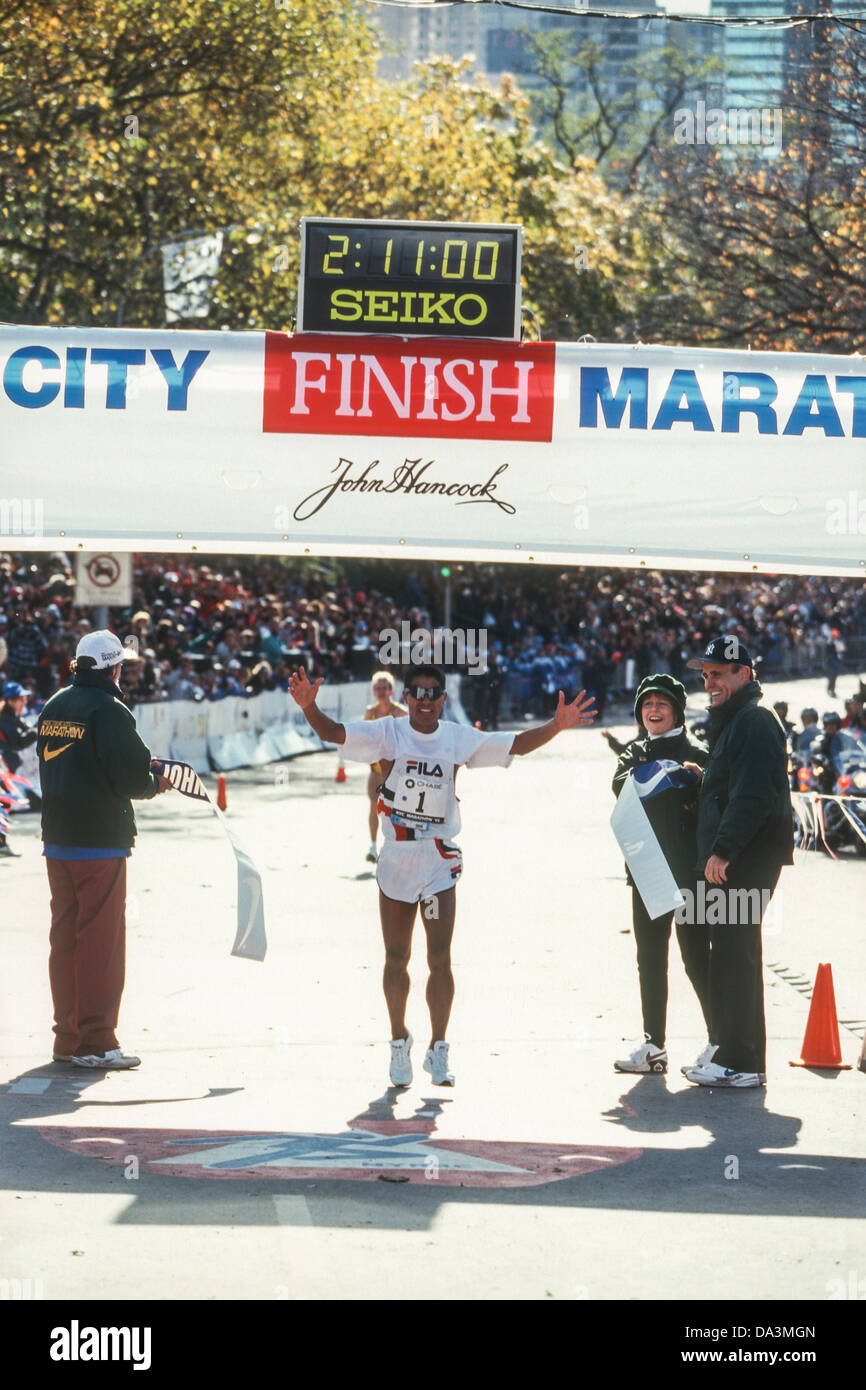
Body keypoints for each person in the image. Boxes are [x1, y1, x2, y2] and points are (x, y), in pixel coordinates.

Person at [290, 663, 596, 1088]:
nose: (426, 700)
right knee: (397, 958)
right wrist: (309, 706)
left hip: (437, 861)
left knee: (439, 958)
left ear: (444, 700)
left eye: (434, 693)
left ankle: (438, 1047)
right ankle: (398, 1041)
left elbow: (516, 745)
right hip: (397, 858)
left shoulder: (456, 738)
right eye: (418, 692)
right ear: (407, 697)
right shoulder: (387, 732)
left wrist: (557, 725)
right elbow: (332, 732)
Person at [37, 630, 174, 1069]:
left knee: (66, 940)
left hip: (57, 840)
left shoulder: (55, 703)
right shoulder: (110, 709)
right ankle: (97, 1042)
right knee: (101, 943)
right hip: (98, 843)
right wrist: (157, 782)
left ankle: (67, 1039)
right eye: (123, 666)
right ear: (113, 667)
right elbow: (133, 779)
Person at [681, 637, 793, 1089]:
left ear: (743, 674)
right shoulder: (737, 720)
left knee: (735, 954)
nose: (709, 681)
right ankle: (732, 1053)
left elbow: (753, 793)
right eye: (705, 674)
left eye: (719, 673)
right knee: (727, 953)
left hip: (746, 856)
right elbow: (734, 783)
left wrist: (723, 849)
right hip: (741, 854)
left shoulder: (754, 720)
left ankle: (744, 1062)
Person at [611, 675, 713, 1075]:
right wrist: (670, 775)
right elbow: (621, 787)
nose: (653, 710)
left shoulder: (700, 751)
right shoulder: (633, 752)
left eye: (662, 704)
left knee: (696, 959)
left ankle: (718, 1042)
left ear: (677, 711)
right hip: (647, 871)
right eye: (647, 704)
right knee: (650, 959)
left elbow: (709, 795)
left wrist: (693, 779)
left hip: (690, 872)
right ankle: (654, 1045)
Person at [363, 672, 408, 864]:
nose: (381, 692)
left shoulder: (401, 713)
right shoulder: (369, 712)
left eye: (384, 688)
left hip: (396, 773)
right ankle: (373, 847)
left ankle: (397, 847)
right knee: (374, 807)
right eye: (377, 688)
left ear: (391, 690)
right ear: (373, 691)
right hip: (375, 770)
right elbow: (363, 737)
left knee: (397, 812)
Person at [0, 680, 39, 856]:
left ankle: (2, 843)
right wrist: (38, 730)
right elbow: (19, 742)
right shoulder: (5, 718)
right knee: (3, 804)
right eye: (20, 699)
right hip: (3, 768)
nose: (24, 702)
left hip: (7, 768)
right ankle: (1, 844)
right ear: (10, 700)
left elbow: (27, 730)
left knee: (5, 804)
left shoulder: (13, 716)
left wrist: (36, 728)